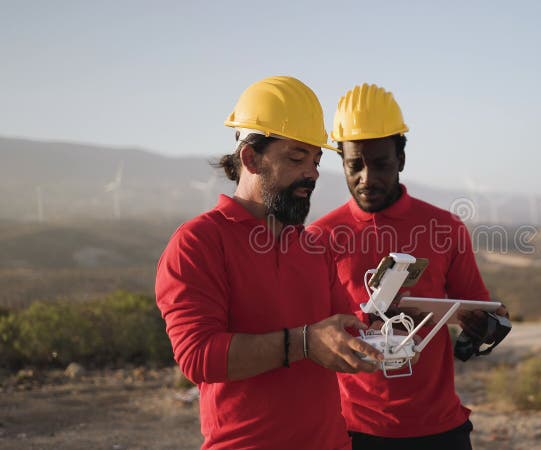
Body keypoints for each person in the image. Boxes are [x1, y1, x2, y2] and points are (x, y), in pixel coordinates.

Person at [155, 76, 382, 450]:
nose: (312, 173)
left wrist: (384, 331)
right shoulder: (198, 242)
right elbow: (197, 357)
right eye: (296, 158)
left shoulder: (313, 247)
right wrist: (305, 343)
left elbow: (340, 332)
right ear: (250, 158)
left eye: (316, 160)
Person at [310, 83, 509, 450]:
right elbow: (308, 333)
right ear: (342, 163)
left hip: (440, 429)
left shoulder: (445, 228)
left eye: (381, 164)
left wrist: (484, 327)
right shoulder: (319, 238)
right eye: (355, 165)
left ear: (401, 160)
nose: (367, 178)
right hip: (353, 431)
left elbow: (477, 314)